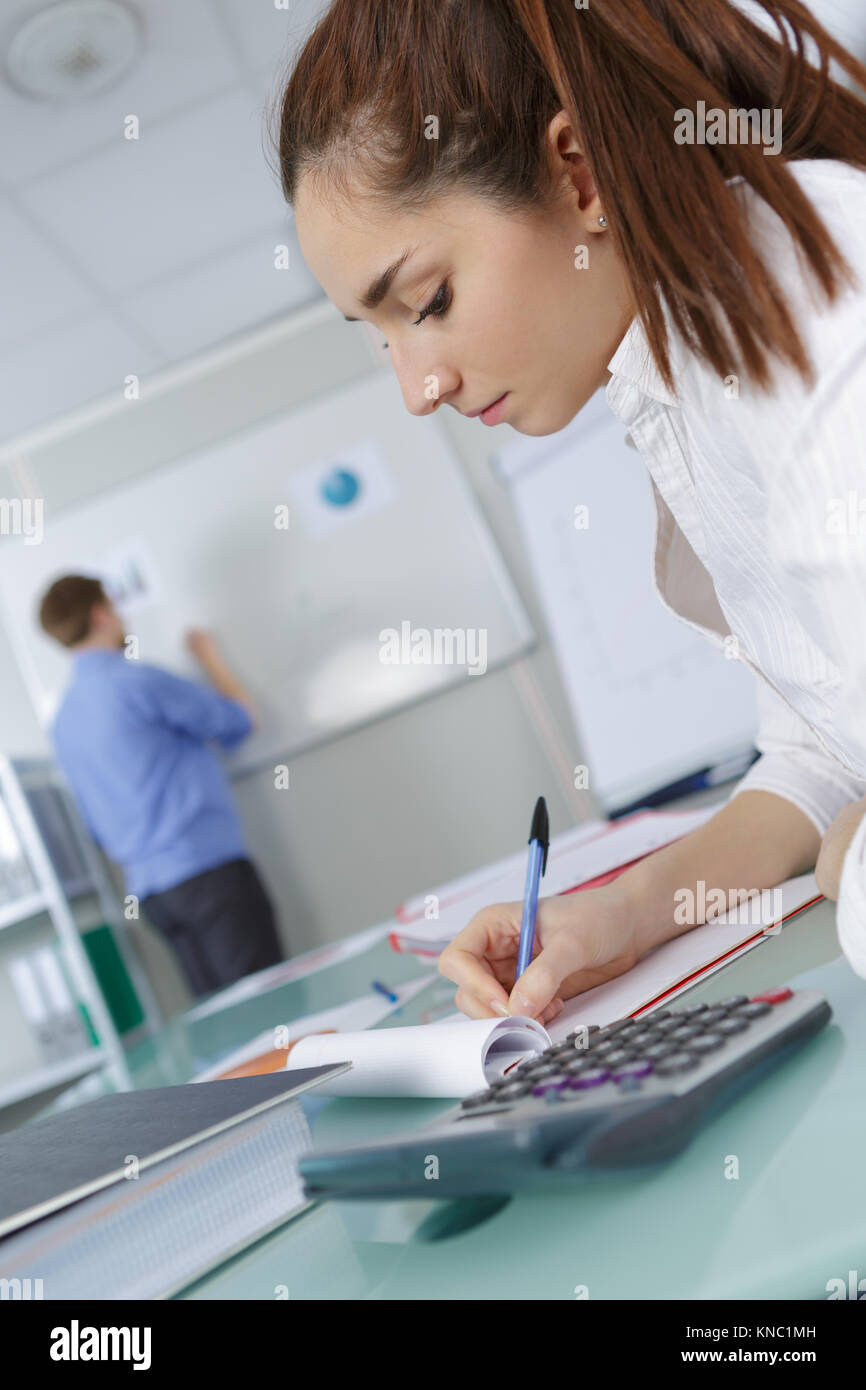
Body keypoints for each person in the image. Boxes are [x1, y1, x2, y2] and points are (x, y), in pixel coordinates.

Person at [272, 0, 866, 1020]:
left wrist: (850, 860)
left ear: (579, 172)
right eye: (379, 339)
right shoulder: (682, 361)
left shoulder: (822, 305)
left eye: (424, 304)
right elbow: (825, 747)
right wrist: (620, 912)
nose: (417, 388)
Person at [39, 574, 285, 997]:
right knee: (271, 1010)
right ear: (100, 614)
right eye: (115, 606)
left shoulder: (63, 722)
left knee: (229, 1032)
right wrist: (210, 659)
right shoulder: (137, 681)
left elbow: (94, 825)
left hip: (155, 896)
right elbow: (241, 722)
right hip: (208, 875)